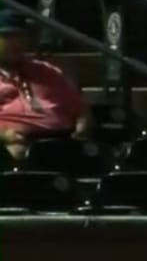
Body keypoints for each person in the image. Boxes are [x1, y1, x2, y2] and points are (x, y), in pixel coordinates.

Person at [0, 10, 89, 160]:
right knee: (15, 154)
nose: (15, 43)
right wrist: (4, 134)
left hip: (62, 140)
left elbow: (81, 110)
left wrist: (82, 128)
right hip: (16, 143)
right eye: (7, 37)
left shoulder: (48, 72)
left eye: (20, 37)